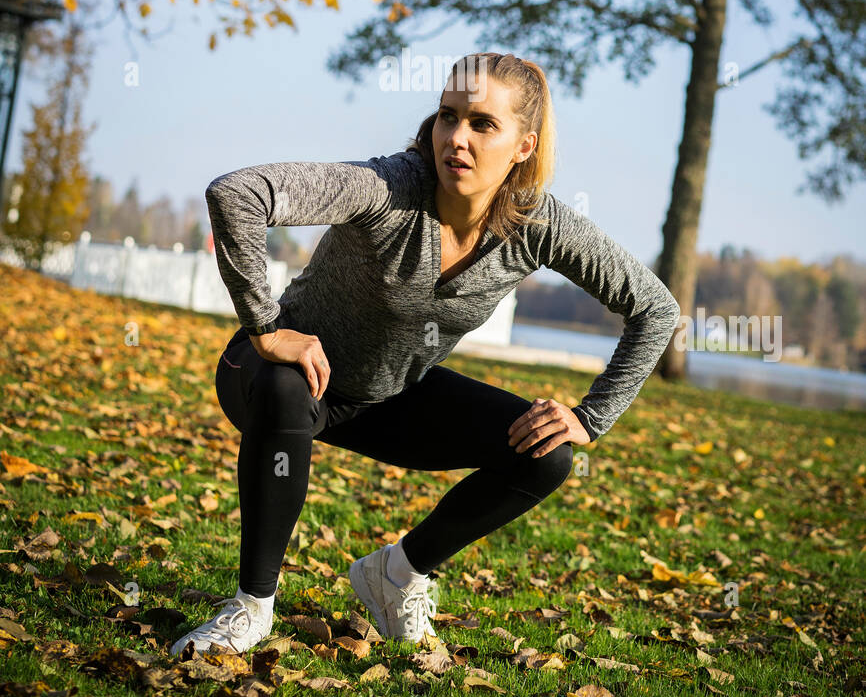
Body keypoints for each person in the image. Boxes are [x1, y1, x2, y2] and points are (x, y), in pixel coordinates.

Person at [171, 52, 680, 656]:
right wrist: (266, 327)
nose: (457, 138)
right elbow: (237, 194)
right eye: (447, 116)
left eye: (482, 124)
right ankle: (251, 607)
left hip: (388, 399)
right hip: (276, 380)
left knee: (545, 455)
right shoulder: (390, 187)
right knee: (285, 385)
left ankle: (397, 573)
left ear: (524, 146)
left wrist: (592, 417)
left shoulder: (537, 225)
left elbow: (656, 308)